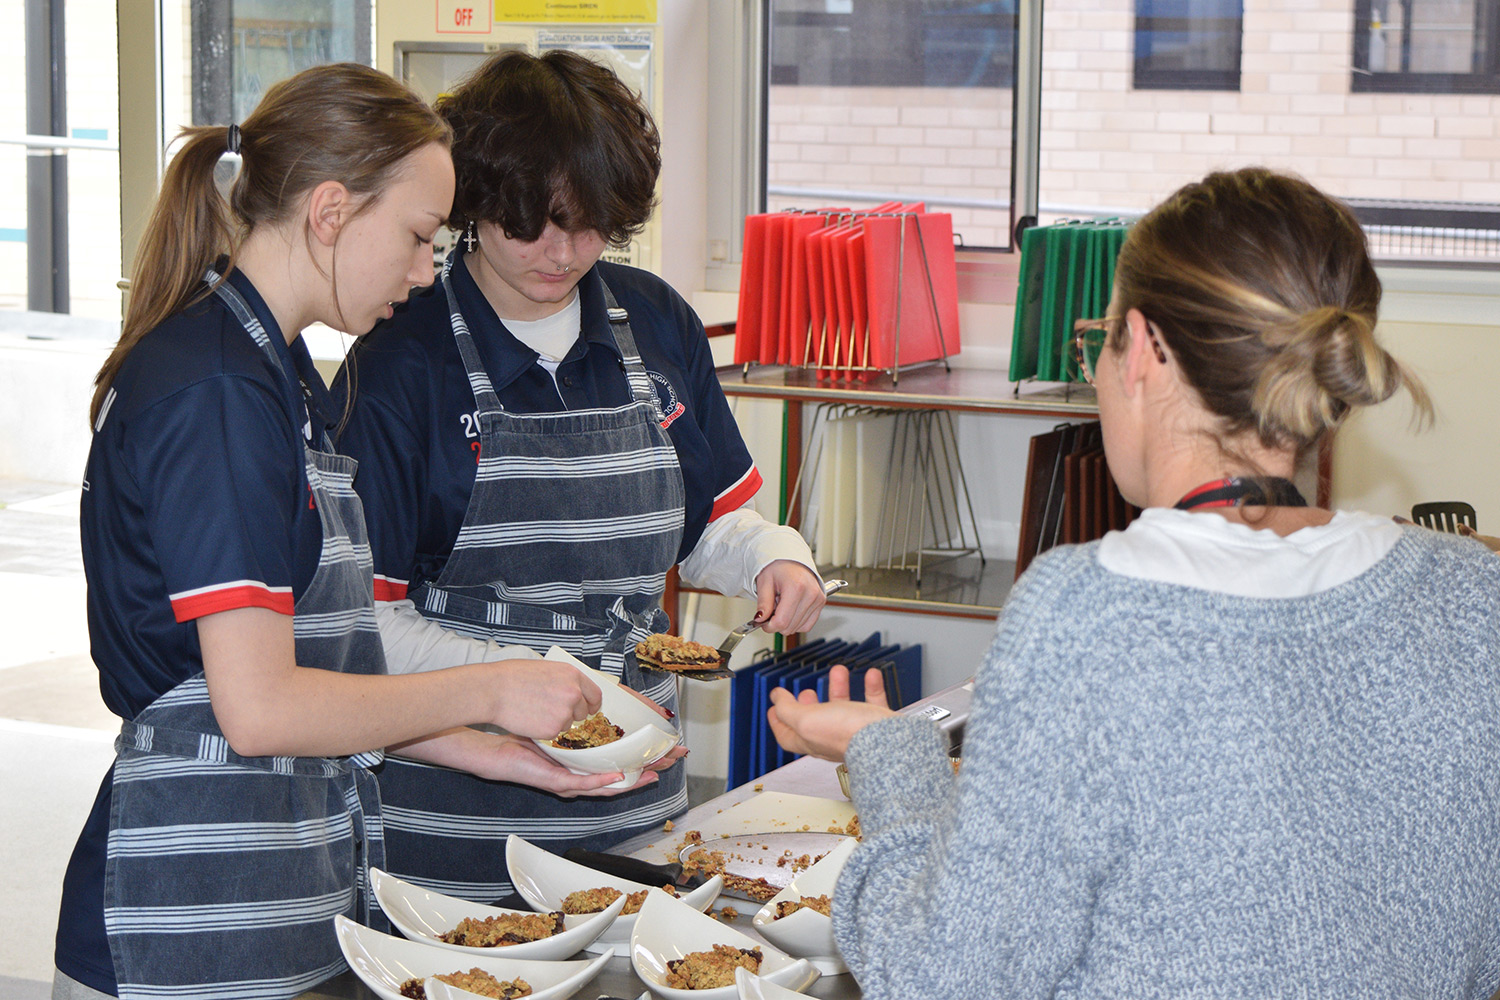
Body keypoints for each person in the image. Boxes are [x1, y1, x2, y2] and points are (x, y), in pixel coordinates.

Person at [767, 168, 1500, 998]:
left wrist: (889, 757)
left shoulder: (1085, 614)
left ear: (1145, 349)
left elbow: (948, 977)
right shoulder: (1473, 595)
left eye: (1101, 339)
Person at [54, 63, 643, 1000]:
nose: (425, 270)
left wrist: (473, 741)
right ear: (330, 211)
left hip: (277, 885)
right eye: (416, 237)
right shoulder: (215, 391)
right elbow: (260, 708)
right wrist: (490, 683)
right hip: (188, 907)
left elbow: (314, 672)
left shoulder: (276, 373)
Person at [333, 48, 826, 901]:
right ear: (476, 204)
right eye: (532, 222)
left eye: (590, 222)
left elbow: (707, 522)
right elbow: (362, 628)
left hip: (639, 815)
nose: (561, 252)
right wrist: (524, 686)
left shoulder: (658, 321)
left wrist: (774, 558)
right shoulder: (401, 361)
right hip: (453, 836)